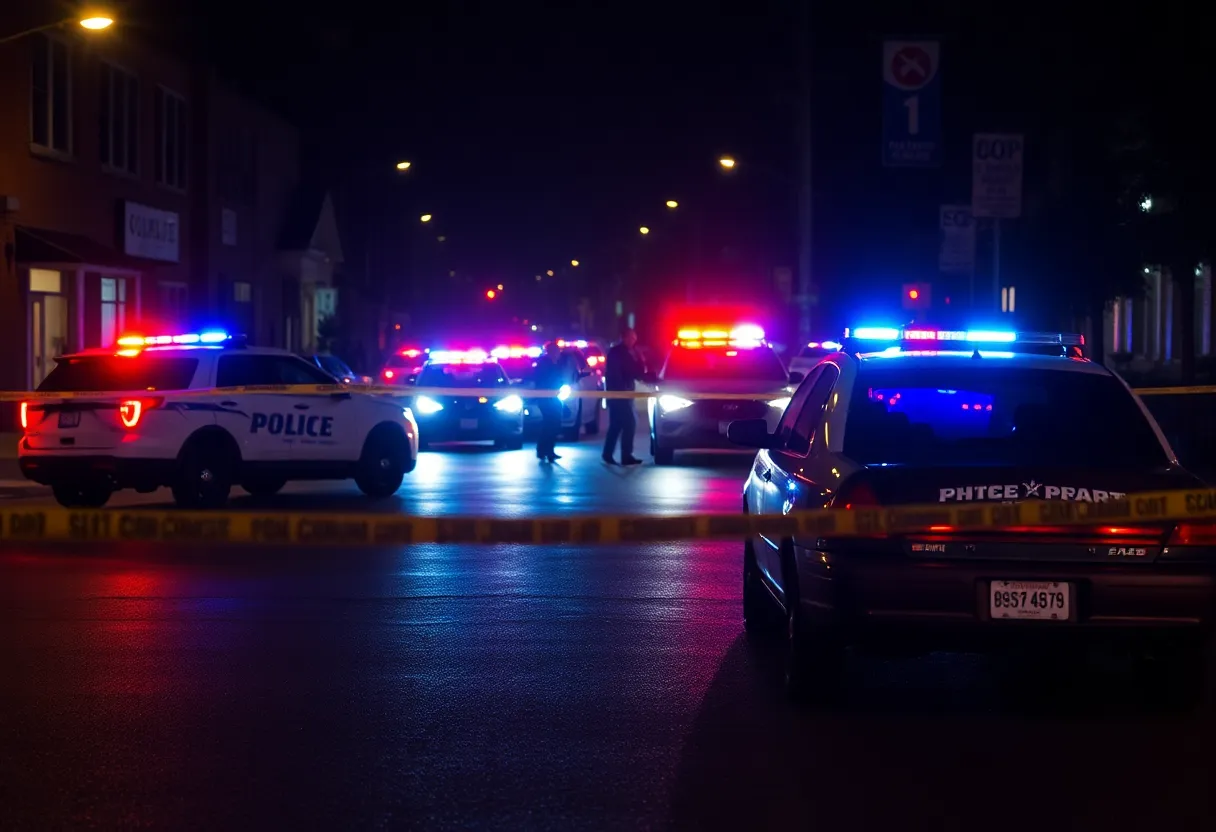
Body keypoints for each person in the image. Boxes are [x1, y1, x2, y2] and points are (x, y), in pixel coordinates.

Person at [602, 328, 647, 465]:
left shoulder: (617, 352)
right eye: (632, 338)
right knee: (629, 423)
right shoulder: (622, 353)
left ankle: (608, 453)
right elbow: (635, 372)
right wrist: (640, 358)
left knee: (616, 424)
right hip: (621, 393)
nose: (634, 341)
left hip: (618, 393)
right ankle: (626, 455)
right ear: (625, 338)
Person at [533, 341, 566, 463]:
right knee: (550, 424)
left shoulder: (555, 364)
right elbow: (543, 380)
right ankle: (545, 451)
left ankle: (546, 450)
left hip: (554, 397)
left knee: (552, 424)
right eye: (556, 351)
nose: (558, 354)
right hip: (547, 398)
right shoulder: (545, 364)